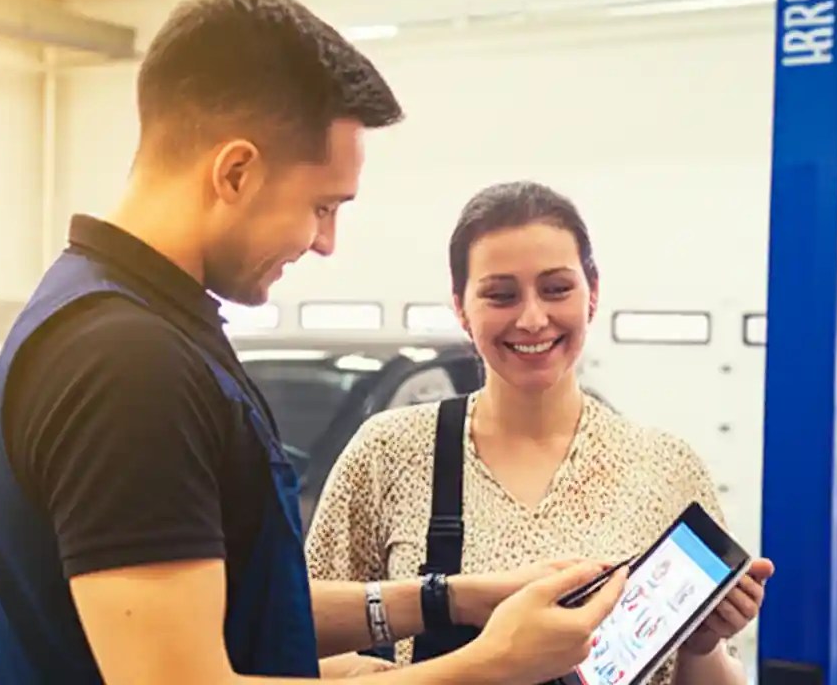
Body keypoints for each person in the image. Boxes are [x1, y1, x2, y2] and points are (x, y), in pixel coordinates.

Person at [0, 0, 628, 685]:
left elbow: (242, 610)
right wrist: (489, 666)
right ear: (235, 171)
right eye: (322, 207)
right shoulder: (127, 364)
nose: (326, 244)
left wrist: (450, 600)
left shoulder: (134, 322)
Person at [304, 181, 777, 684]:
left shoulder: (665, 467)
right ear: (462, 308)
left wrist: (701, 647)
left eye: (556, 289)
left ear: (592, 294)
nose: (532, 319)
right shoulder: (390, 453)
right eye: (501, 295)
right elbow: (290, 643)